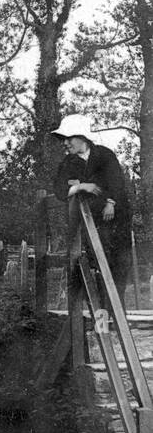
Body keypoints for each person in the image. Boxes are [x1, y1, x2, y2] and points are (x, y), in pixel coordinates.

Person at [51, 114, 133, 305]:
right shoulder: (68, 163)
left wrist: (111, 203)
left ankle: (116, 311)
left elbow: (117, 183)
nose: (66, 144)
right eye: (64, 140)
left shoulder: (105, 155)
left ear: (82, 137)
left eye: (69, 139)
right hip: (92, 221)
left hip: (117, 217)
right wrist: (81, 186)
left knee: (119, 263)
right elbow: (59, 190)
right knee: (95, 262)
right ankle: (99, 310)